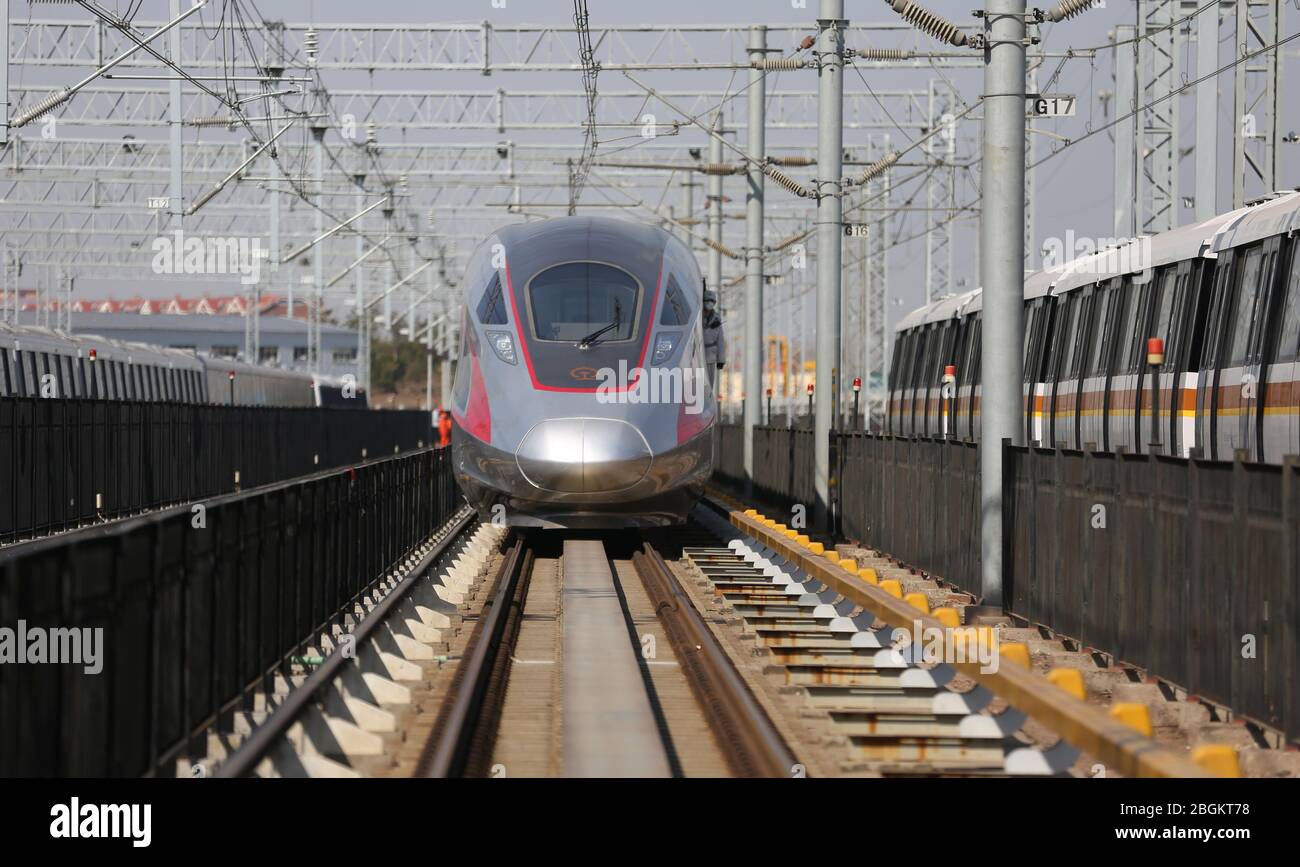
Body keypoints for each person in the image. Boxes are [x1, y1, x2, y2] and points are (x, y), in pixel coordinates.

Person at [701, 289, 725, 393]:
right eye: (707, 300)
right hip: (698, 354)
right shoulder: (698, 315)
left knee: (709, 385)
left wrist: (721, 360)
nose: (709, 303)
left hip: (711, 357)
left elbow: (720, 340)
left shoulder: (716, 319)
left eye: (711, 301)